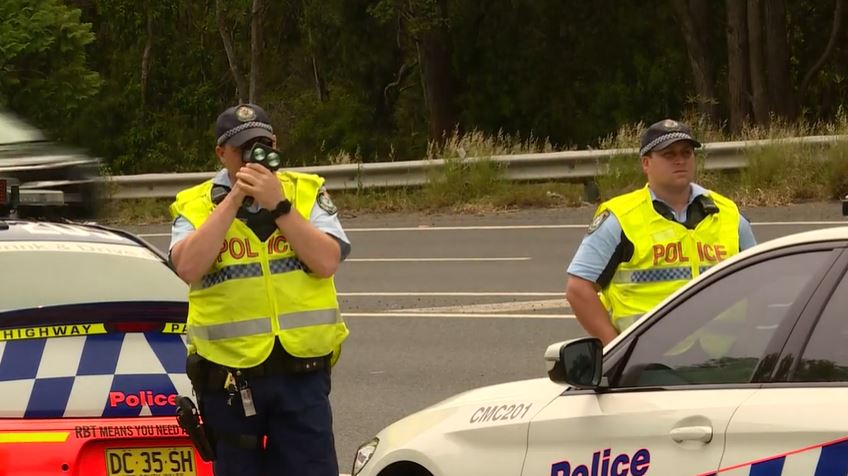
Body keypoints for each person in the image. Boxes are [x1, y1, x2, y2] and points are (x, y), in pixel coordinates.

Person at [169, 103, 351, 475]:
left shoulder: (305, 192)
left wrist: (279, 206)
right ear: (221, 154)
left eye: (263, 146)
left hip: (301, 372)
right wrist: (234, 198)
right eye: (243, 150)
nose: (255, 157)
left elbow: (327, 261)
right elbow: (187, 267)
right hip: (230, 378)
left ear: (275, 144)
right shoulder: (196, 204)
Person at [565, 119, 756, 346]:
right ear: (646, 163)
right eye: (668, 154)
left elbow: (759, 281)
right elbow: (578, 289)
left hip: (726, 357)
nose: (680, 160)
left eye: (686, 153)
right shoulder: (620, 218)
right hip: (649, 358)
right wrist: (615, 347)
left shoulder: (729, 214)